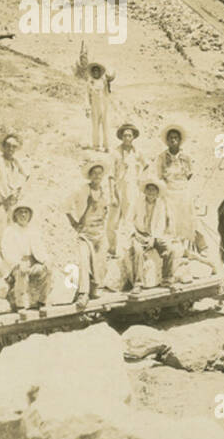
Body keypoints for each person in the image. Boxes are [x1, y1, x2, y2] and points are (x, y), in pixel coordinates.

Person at [155, 125, 207, 260]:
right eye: (171, 138)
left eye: (175, 138)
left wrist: (181, 184)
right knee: (170, 220)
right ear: (167, 141)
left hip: (183, 191)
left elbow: (189, 175)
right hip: (169, 192)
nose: (173, 140)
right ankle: (175, 250)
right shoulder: (162, 157)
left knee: (190, 218)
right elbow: (159, 175)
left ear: (179, 140)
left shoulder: (186, 157)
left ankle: (200, 247)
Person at [65, 158, 111, 309]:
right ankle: (83, 293)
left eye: (100, 173)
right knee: (84, 262)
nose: (97, 176)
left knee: (101, 260)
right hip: (85, 233)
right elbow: (66, 206)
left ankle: (97, 287)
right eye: (94, 174)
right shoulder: (82, 190)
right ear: (90, 176)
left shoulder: (105, 191)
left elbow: (107, 209)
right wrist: (74, 223)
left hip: (99, 232)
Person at [0, 203, 50, 314]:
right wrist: (17, 263)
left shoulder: (33, 230)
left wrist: (45, 260)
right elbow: (6, 251)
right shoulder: (10, 231)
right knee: (22, 271)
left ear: (29, 216)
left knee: (46, 269)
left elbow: (40, 249)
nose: (23, 215)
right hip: (15, 265)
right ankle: (21, 305)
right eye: (21, 212)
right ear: (15, 215)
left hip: (32, 262)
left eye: (26, 212)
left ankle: (41, 302)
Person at [127, 177, 179, 293]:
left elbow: (160, 224)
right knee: (138, 251)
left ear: (157, 193)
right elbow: (129, 220)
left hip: (155, 235)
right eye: (149, 190)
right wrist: (135, 234)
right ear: (145, 191)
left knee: (170, 249)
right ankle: (138, 283)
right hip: (139, 234)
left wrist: (153, 238)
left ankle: (167, 279)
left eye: (154, 190)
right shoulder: (137, 202)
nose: (151, 193)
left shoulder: (161, 205)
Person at [108, 122, 144, 255]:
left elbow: (146, 166)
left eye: (129, 135)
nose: (127, 138)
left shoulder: (137, 152)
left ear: (133, 137)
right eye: (124, 136)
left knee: (129, 219)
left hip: (132, 189)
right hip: (118, 188)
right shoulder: (116, 153)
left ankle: (128, 249)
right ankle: (112, 248)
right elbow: (111, 175)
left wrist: (141, 179)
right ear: (121, 137)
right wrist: (112, 194)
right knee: (113, 221)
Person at [85, 62, 115, 151]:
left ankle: (106, 145)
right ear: (92, 72)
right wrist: (87, 108)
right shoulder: (89, 83)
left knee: (106, 125)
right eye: (94, 71)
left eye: (97, 71)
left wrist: (108, 83)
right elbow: (87, 95)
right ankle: (96, 145)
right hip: (94, 107)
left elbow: (108, 92)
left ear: (99, 72)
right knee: (95, 126)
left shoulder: (104, 82)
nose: (95, 73)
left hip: (104, 106)